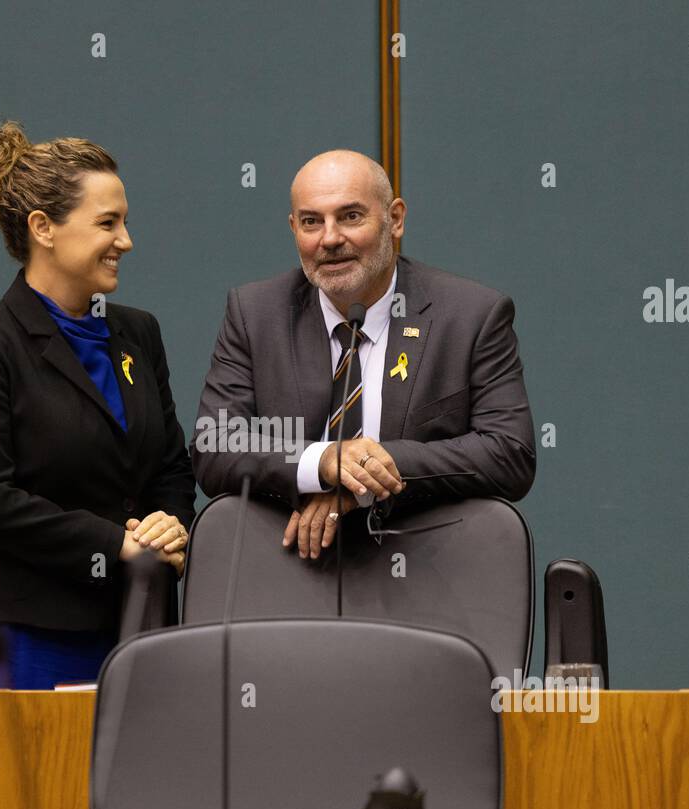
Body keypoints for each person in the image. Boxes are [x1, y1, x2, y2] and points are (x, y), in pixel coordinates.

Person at [0, 122, 194, 809]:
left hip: (130, 639)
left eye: (125, 220)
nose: (127, 240)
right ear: (44, 229)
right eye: (108, 222)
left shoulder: (137, 334)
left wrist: (172, 524)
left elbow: (170, 465)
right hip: (14, 647)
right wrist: (117, 544)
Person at [191, 149, 536, 559]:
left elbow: (510, 454)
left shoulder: (470, 315)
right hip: (290, 567)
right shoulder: (255, 313)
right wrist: (321, 462)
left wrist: (365, 479)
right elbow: (215, 446)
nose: (330, 238)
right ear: (293, 228)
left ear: (395, 218)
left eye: (351, 216)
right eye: (311, 222)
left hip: (428, 568)